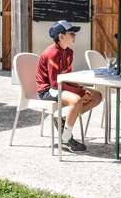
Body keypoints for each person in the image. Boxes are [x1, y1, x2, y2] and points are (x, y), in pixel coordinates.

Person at [35, 20, 102, 153]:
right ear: (61, 36)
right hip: (48, 90)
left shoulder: (69, 52)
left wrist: (81, 89)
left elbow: (68, 77)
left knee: (97, 96)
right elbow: (54, 84)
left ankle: (64, 117)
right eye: (71, 33)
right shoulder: (52, 53)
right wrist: (79, 92)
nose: (74, 36)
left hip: (60, 86)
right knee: (76, 100)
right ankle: (66, 138)